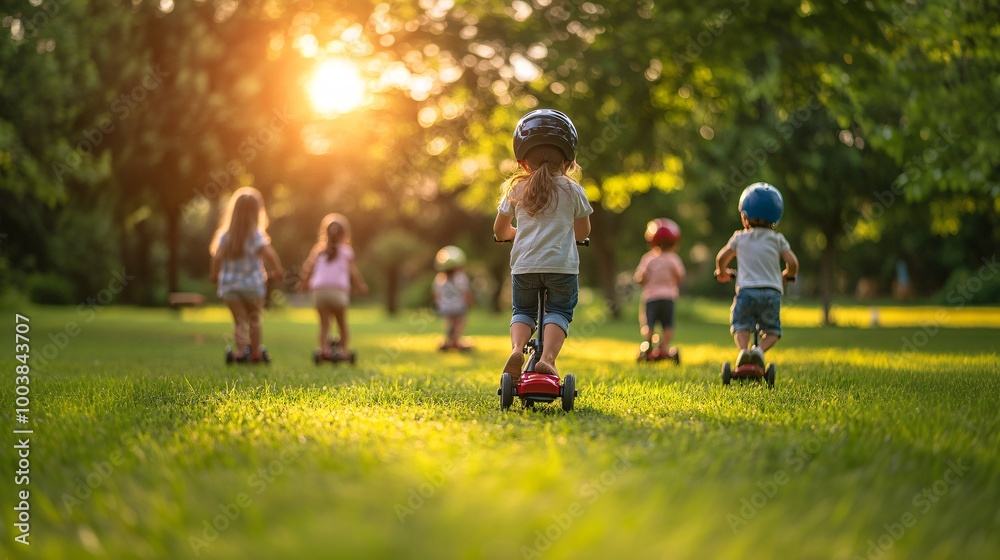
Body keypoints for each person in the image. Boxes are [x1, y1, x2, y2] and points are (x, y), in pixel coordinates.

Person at [493, 109, 593, 379]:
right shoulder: (573, 190)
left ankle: (517, 349)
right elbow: (583, 231)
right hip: (561, 267)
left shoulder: (516, 189)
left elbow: (500, 230)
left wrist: (513, 235)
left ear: (523, 161)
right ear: (569, 159)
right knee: (558, 310)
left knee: (523, 310)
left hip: (525, 267)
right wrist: (573, 237)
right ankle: (547, 358)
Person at [714, 182, 799, 367]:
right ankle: (759, 351)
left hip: (746, 291)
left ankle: (744, 351)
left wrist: (722, 273)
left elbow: (721, 258)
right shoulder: (778, 240)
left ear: (744, 215)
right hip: (772, 292)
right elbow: (792, 263)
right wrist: (787, 275)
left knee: (741, 325)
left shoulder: (740, 237)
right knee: (772, 330)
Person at [210, 186, 285, 363]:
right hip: (253, 285)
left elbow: (217, 257)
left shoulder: (225, 236)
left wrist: (214, 274)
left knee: (239, 321)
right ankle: (255, 353)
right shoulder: (256, 236)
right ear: (258, 212)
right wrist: (277, 271)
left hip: (230, 286)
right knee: (255, 319)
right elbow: (270, 254)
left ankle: (240, 351)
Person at [298, 214, 368, 360]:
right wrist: (361, 286)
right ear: (345, 234)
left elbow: (308, 269)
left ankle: (324, 350)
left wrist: (303, 284)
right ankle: (343, 351)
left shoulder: (318, 251)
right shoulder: (346, 251)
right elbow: (353, 272)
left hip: (319, 292)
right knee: (342, 324)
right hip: (338, 292)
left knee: (324, 325)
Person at [634, 218, 685, 363]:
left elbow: (641, 277)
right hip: (668, 297)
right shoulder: (674, 259)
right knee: (667, 324)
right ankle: (664, 348)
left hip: (651, 298)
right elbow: (679, 276)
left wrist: (641, 280)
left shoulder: (649, 258)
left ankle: (649, 345)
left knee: (648, 323)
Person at [433, 245, 475, 351]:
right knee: (459, 323)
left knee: (449, 323)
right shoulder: (461, 277)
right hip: (459, 306)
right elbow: (466, 292)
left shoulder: (439, 278)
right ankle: (456, 342)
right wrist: (470, 303)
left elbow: (437, 294)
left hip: (445, 306)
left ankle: (449, 341)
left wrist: (439, 305)